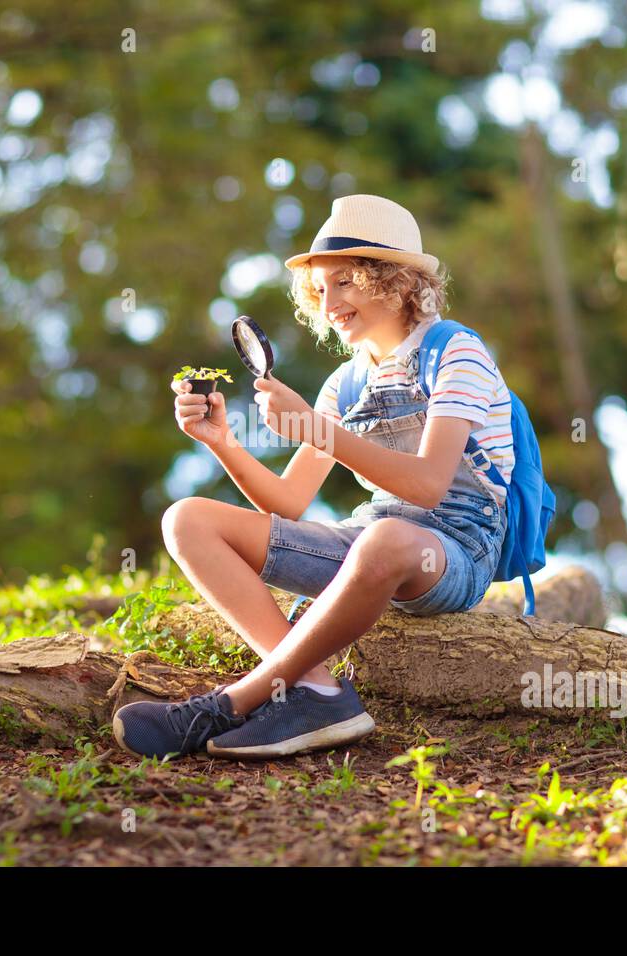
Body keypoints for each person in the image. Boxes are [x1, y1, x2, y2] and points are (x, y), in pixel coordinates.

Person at [113, 194, 516, 760]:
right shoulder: (345, 384)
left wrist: (317, 430)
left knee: (386, 538)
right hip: (370, 542)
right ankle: (315, 690)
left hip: (453, 549)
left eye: (345, 282)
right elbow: (288, 501)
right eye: (320, 289)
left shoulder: (457, 352)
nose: (329, 303)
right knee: (188, 520)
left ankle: (234, 702)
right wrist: (221, 442)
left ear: (396, 281)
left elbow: (428, 486)